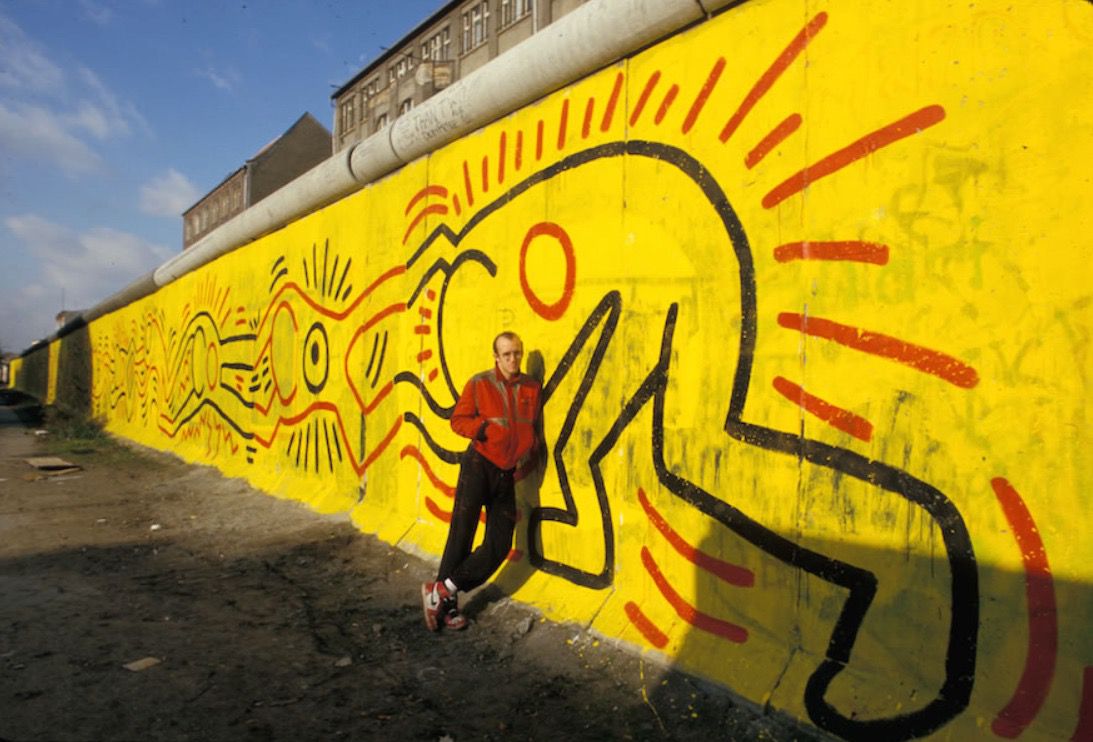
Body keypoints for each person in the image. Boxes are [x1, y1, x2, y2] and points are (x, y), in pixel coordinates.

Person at [421, 331, 542, 631]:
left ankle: (441, 589)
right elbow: (457, 421)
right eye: (507, 354)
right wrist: (484, 429)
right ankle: (446, 609)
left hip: (506, 472)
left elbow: (531, 425)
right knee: (462, 535)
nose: (513, 359)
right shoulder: (480, 383)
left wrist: (530, 446)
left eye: (517, 353)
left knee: (500, 544)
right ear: (496, 357)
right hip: (478, 465)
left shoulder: (531, 387)